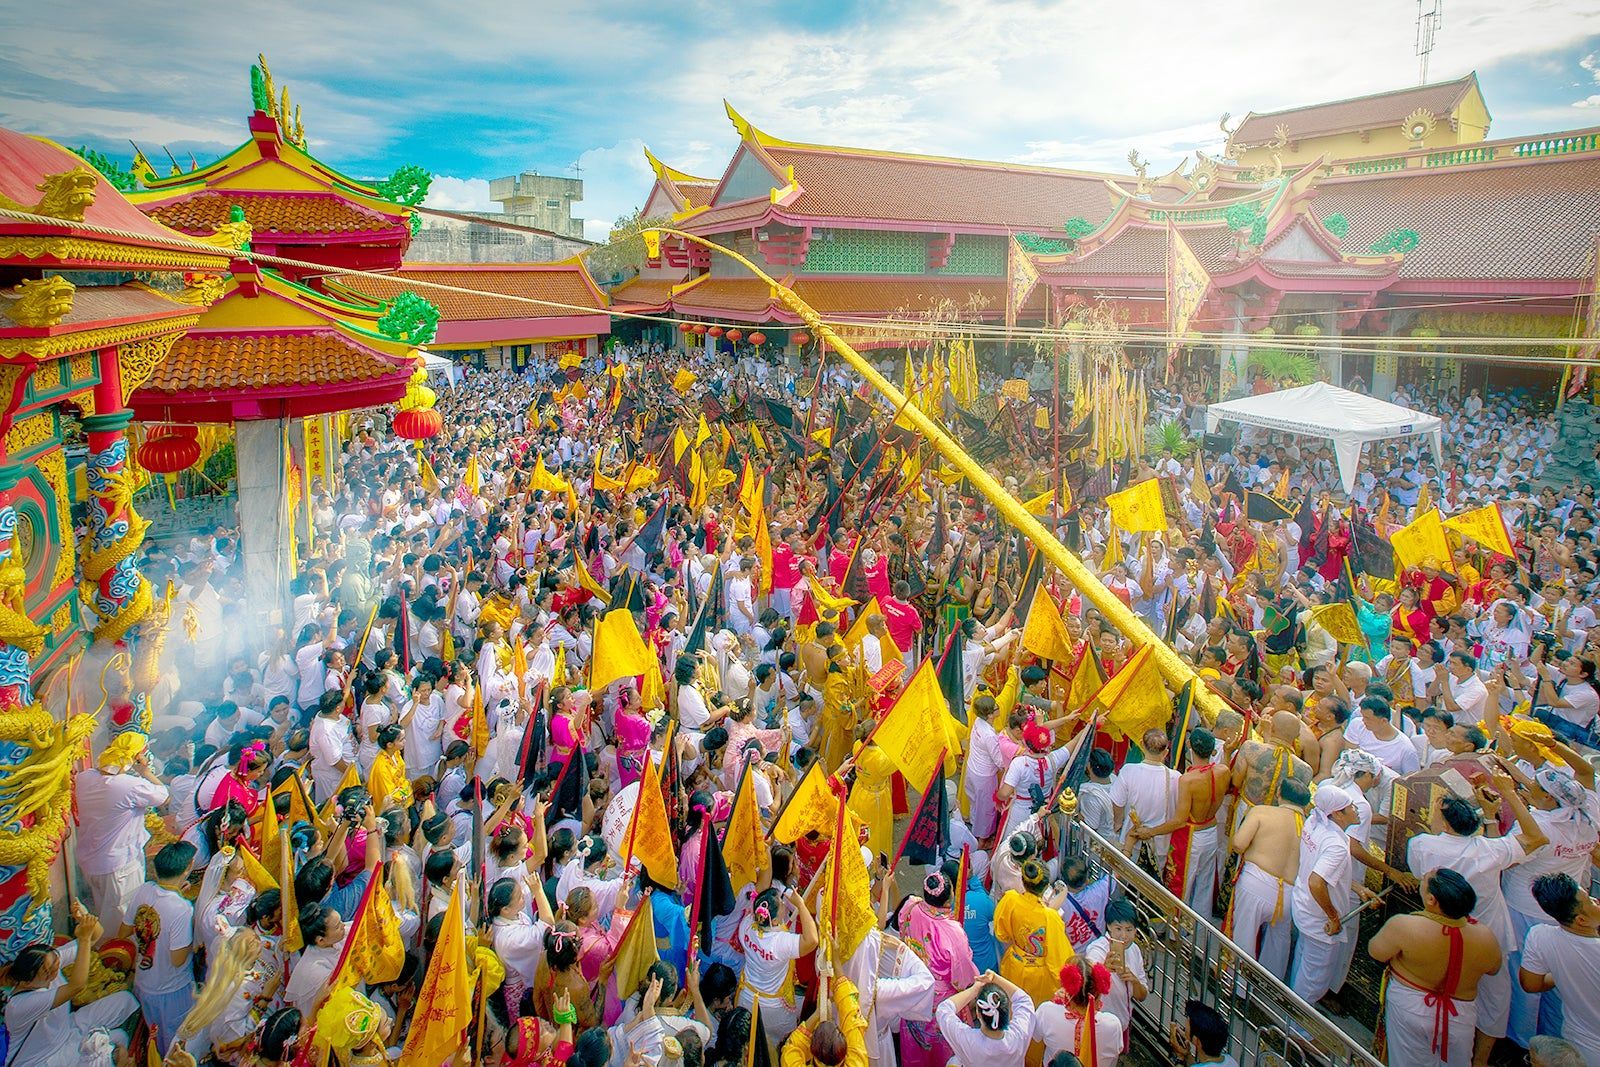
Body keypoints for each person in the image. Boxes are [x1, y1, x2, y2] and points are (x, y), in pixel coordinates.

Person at [1370, 868, 1504, 1067]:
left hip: (1410, 1006)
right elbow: (1493, 968)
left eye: (1423, 882)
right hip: (1460, 1015)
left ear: (1432, 900)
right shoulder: (1485, 936)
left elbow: (1376, 951)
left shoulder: (1405, 926)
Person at [3, 903, 138, 1067]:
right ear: (26, 982)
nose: (54, 972)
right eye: (47, 972)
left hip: (69, 1027)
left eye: (55, 965)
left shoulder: (50, 961)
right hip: (48, 1058)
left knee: (125, 1000)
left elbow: (97, 934)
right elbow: (77, 986)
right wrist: (84, 938)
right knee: (118, 1044)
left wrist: (86, 919)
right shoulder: (20, 1005)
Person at [76, 732, 170, 933]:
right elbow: (165, 797)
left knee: (103, 911)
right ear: (135, 757)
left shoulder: (84, 778)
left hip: (91, 861)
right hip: (119, 866)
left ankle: (100, 949)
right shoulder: (129, 786)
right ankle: (115, 958)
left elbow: (102, 773)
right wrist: (144, 771)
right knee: (122, 918)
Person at [124, 841, 198, 1053]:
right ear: (188, 868)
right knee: (175, 1045)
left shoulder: (144, 890)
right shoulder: (182, 909)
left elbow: (124, 931)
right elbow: (177, 959)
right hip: (171, 991)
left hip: (144, 981)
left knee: (152, 1038)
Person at [1520, 873, 1600, 1067]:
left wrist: (1562, 974)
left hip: (1575, 1043)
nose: (1596, 900)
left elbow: (1530, 985)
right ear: (1581, 920)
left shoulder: (1539, 937)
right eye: (1590, 901)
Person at [935, 971, 1035, 1067]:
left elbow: (944, 1009)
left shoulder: (967, 1040)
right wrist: (995, 978)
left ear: (978, 1013)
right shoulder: (1019, 1035)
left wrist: (974, 990)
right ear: (1008, 1012)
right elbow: (1024, 1000)